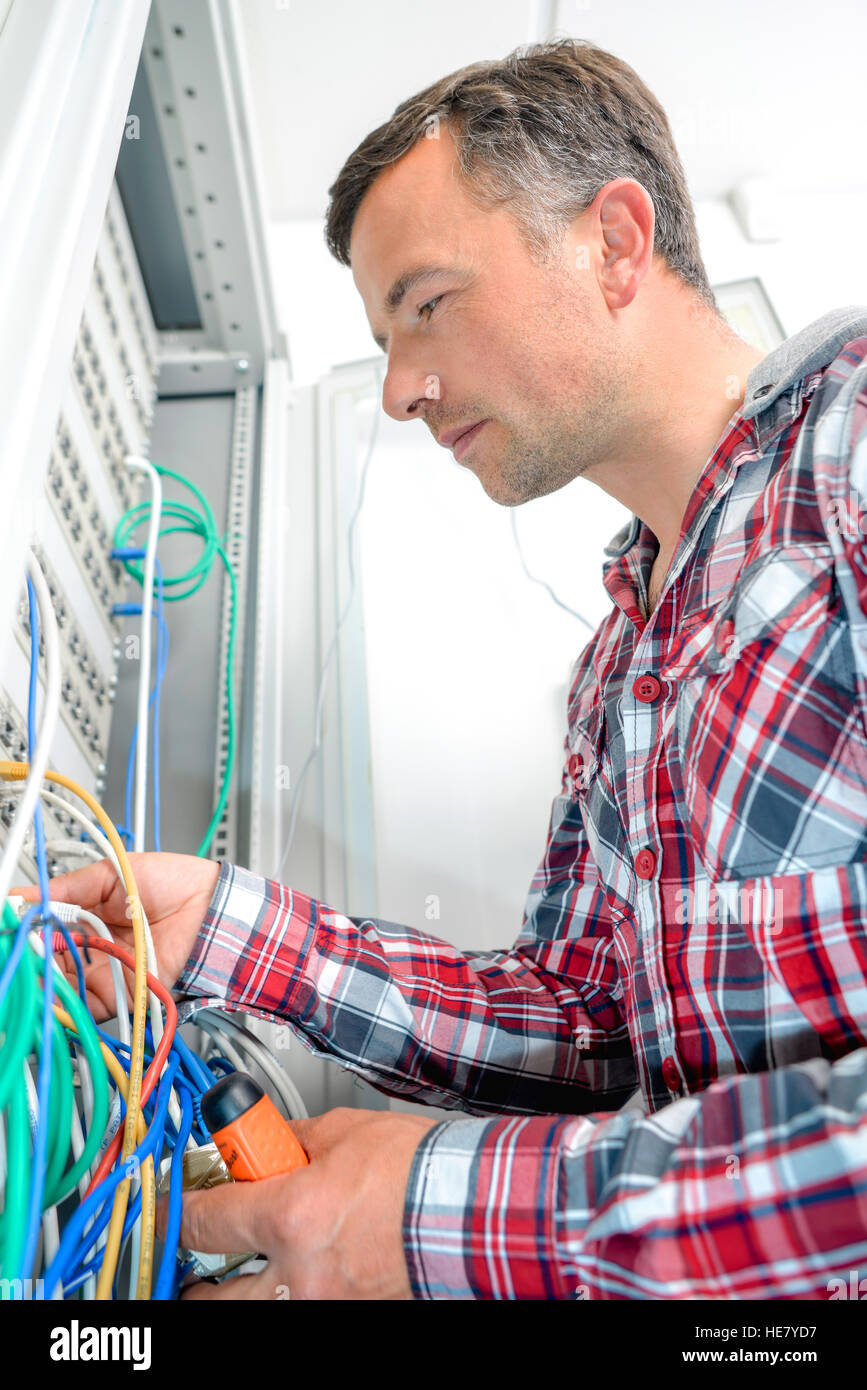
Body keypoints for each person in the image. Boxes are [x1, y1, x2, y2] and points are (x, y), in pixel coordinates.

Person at [25, 38, 867, 1300]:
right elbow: (584, 1035)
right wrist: (236, 935)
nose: (401, 390)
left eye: (426, 302)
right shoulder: (615, 675)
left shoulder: (849, 449)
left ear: (616, 244)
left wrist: (436, 1219)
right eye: (383, 335)